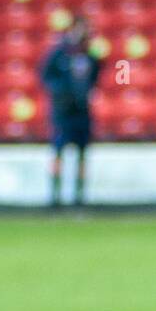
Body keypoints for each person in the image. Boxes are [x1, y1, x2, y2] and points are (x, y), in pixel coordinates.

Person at [39, 16, 101, 206]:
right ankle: (55, 196)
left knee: (82, 154)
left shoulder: (90, 55)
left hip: (82, 111)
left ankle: (79, 196)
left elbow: (96, 77)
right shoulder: (58, 54)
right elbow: (45, 76)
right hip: (62, 112)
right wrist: (61, 93)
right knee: (58, 152)